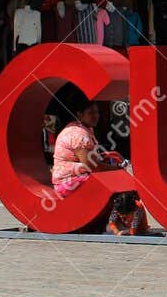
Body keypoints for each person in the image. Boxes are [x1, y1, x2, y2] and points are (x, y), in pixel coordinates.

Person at [52, 98, 147, 235]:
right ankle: (115, 223)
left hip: (74, 178)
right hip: (69, 183)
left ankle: (116, 221)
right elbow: (92, 166)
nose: (96, 116)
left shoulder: (82, 129)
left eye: (97, 112)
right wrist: (116, 169)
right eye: (91, 113)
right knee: (112, 183)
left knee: (115, 180)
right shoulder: (79, 134)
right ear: (79, 114)